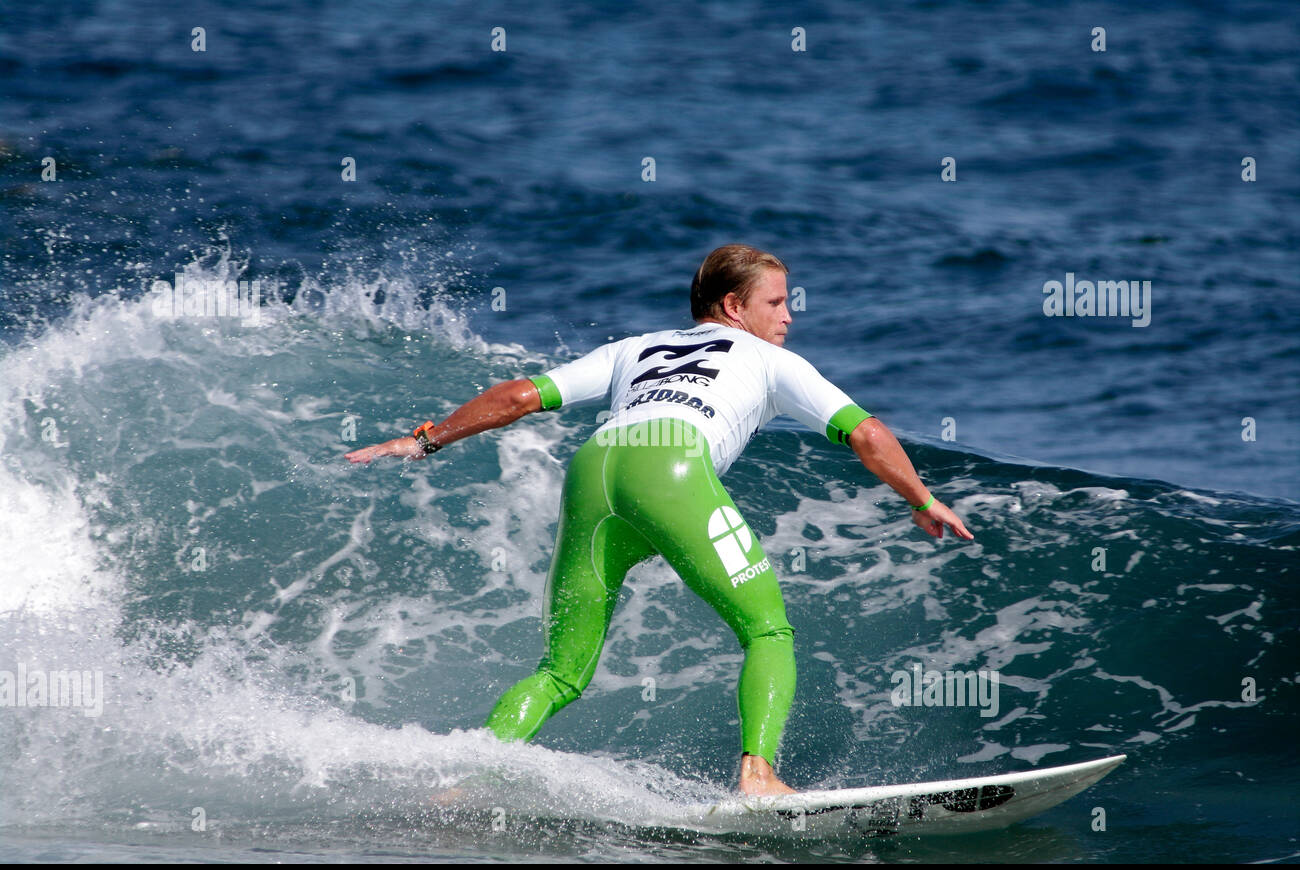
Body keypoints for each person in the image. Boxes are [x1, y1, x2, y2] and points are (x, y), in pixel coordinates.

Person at [345, 244, 973, 796]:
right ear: (734, 307)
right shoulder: (771, 362)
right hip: (671, 465)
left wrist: (422, 441)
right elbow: (865, 433)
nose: (789, 316)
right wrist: (921, 499)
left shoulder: (633, 349)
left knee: (561, 671)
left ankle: (466, 780)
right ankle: (758, 777)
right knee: (766, 631)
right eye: (777, 302)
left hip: (593, 471)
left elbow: (516, 396)